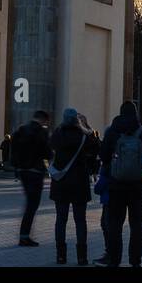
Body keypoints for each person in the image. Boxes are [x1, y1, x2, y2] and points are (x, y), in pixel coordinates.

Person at [99, 100, 142, 267]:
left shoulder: (113, 131)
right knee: (136, 226)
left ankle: (114, 260)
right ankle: (135, 262)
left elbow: (103, 156)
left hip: (116, 185)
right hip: (138, 186)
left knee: (115, 226)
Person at [49, 109, 98, 265]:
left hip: (61, 183)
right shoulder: (84, 136)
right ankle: (82, 257)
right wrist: (86, 126)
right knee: (80, 221)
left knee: (60, 220)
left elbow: (50, 146)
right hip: (79, 183)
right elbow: (97, 148)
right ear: (77, 120)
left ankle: (60, 256)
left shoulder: (58, 134)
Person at [10, 110, 51, 247]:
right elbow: (47, 153)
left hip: (23, 171)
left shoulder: (21, 130)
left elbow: (13, 149)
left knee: (29, 202)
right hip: (36, 171)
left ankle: (24, 235)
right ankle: (24, 236)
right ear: (43, 120)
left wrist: (17, 166)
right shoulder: (41, 132)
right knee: (32, 204)